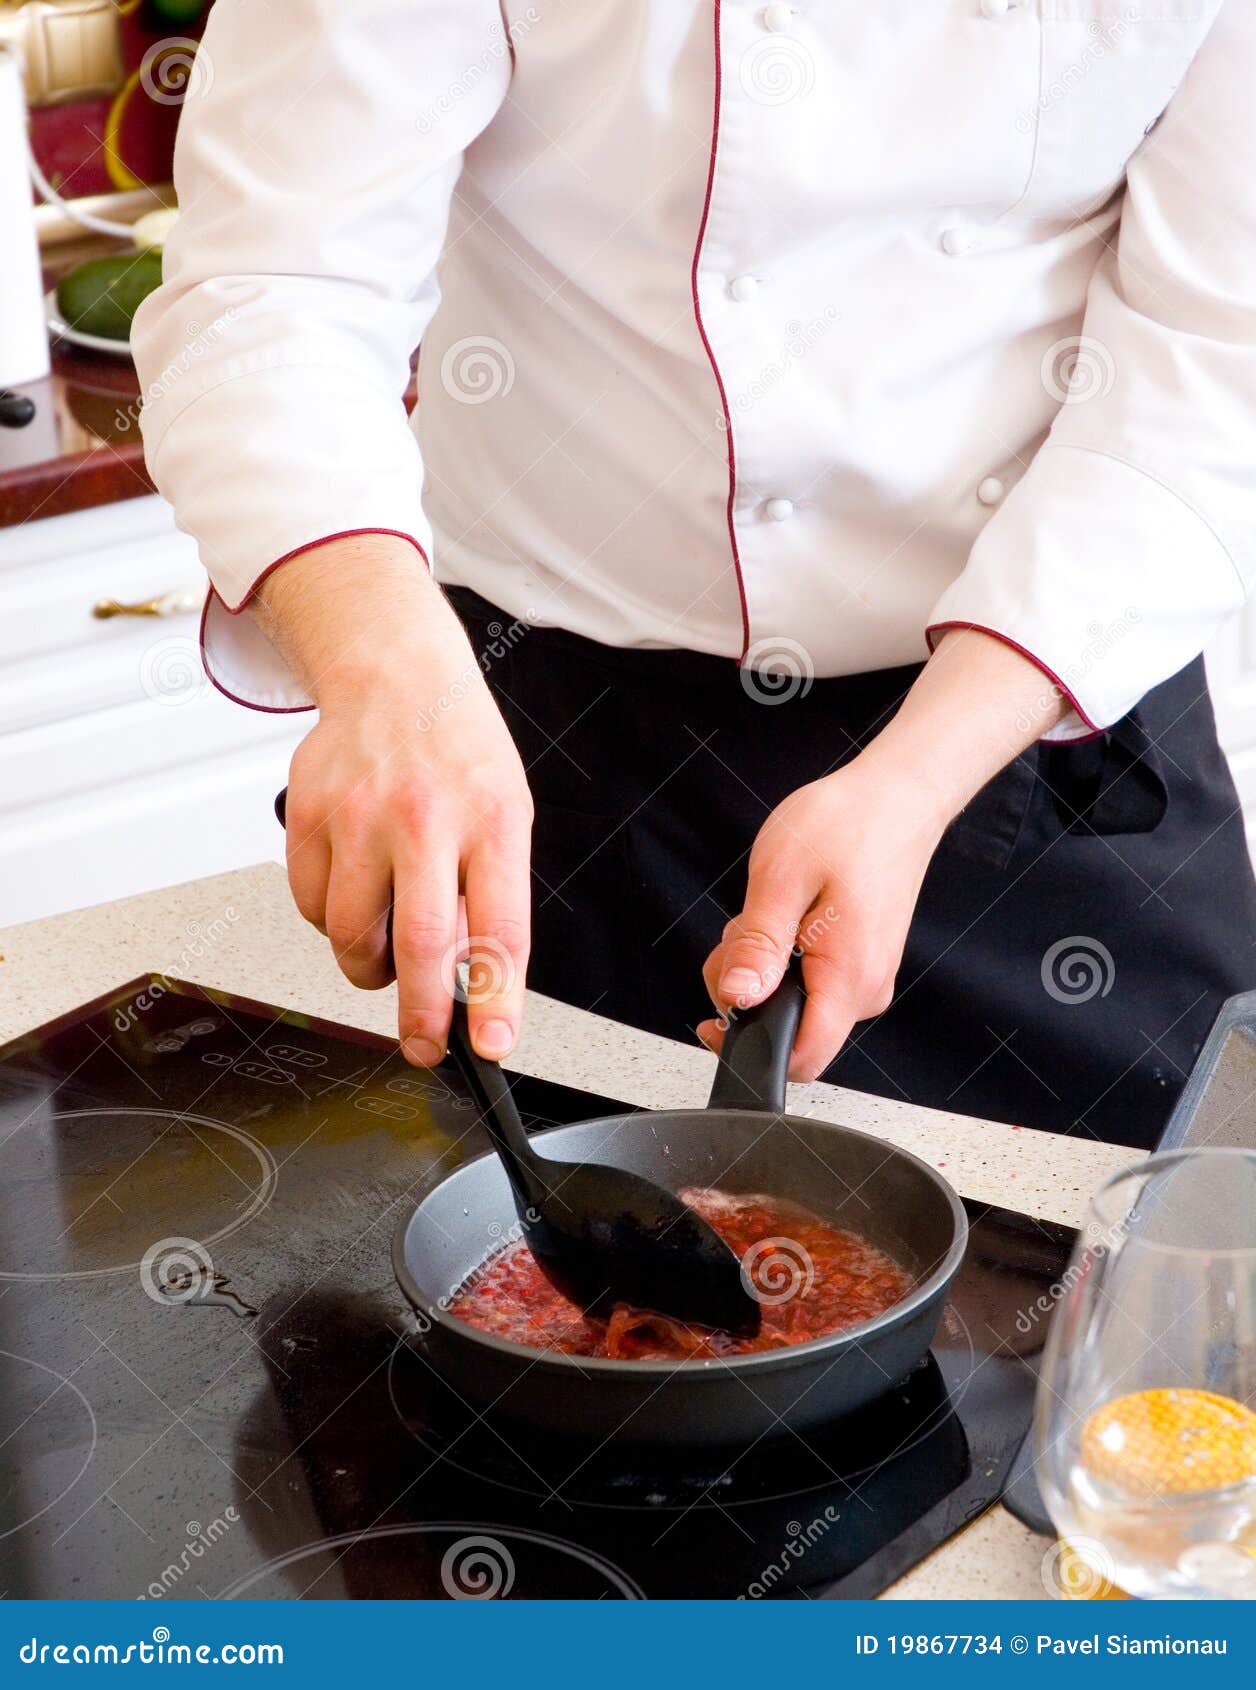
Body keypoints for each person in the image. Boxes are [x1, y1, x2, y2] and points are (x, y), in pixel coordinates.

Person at [133, 1, 1256, 1151]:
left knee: (1173, 1287)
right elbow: (272, 290)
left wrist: (914, 784)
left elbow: (1217, 361)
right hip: (582, 771)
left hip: (1047, 731)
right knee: (585, 1299)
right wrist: (383, 671)